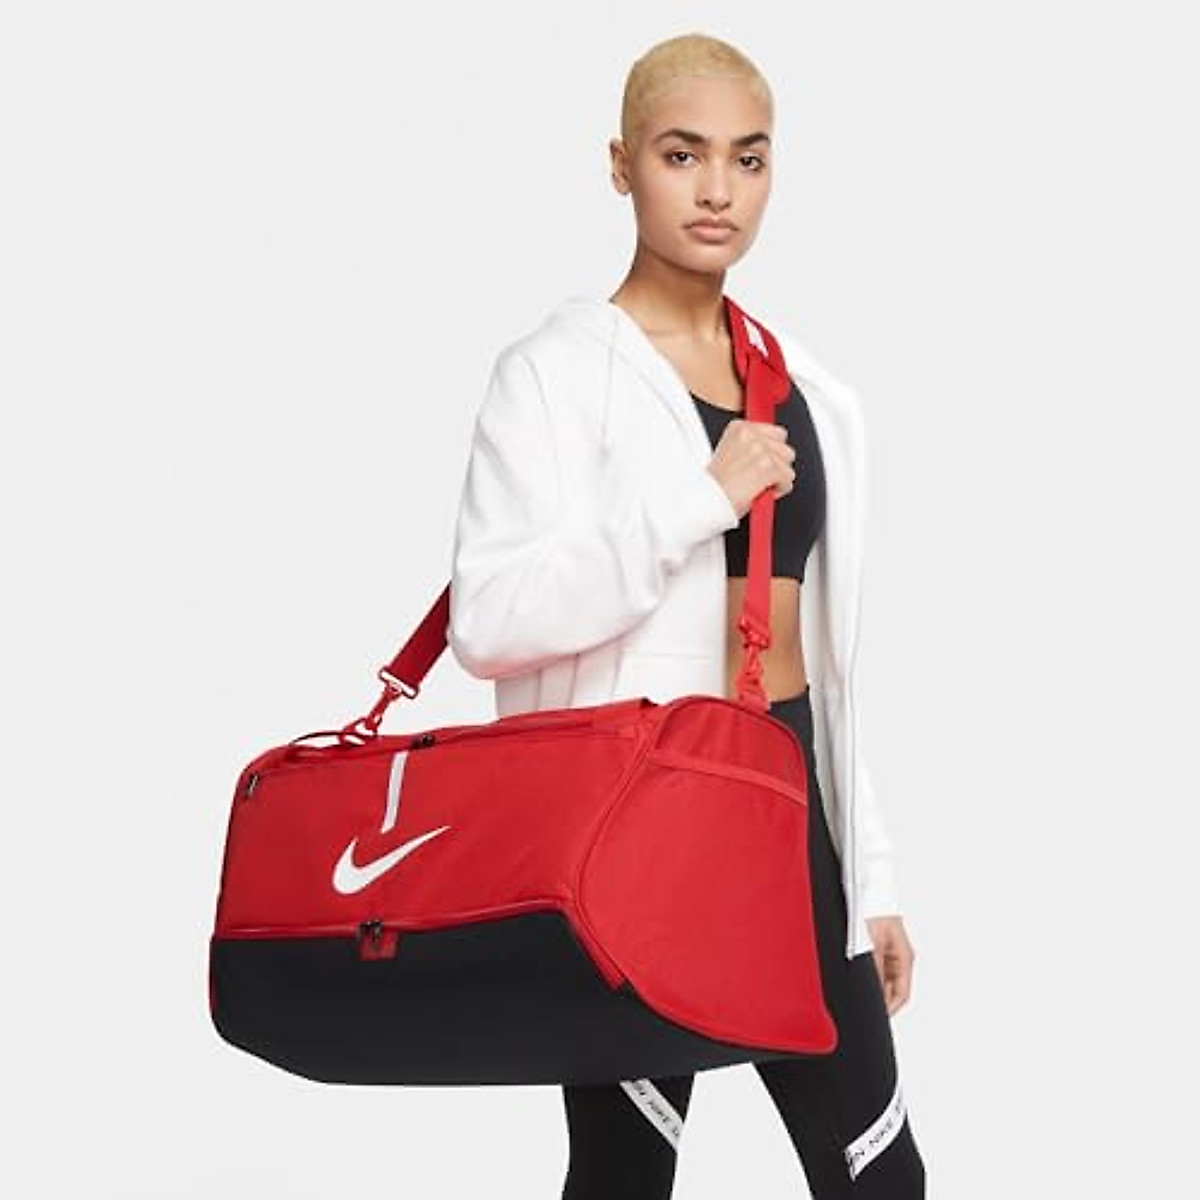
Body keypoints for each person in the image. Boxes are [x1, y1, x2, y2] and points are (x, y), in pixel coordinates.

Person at [447, 30, 925, 1200]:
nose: (718, 190)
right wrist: (696, 503)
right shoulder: (553, 375)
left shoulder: (806, 392)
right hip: (638, 835)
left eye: (748, 159)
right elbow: (487, 619)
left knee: (879, 1179)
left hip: (792, 825)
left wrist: (868, 876)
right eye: (682, 154)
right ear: (622, 166)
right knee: (624, 1174)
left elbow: (822, 665)